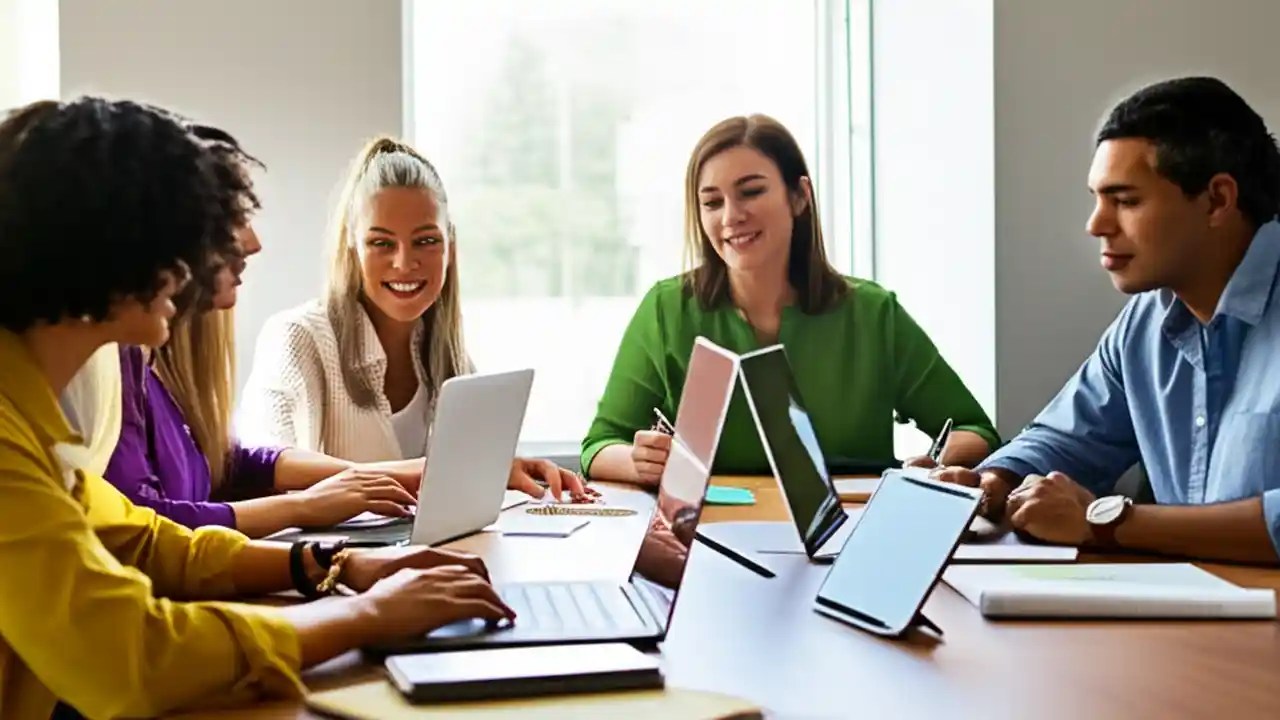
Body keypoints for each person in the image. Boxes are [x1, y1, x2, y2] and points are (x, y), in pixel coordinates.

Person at [0, 97, 513, 720]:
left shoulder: (32, 417)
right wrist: (364, 615)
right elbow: (127, 655)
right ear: (107, 248)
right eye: (182, 236)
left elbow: (151, 544)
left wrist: (340, 565)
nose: (198, 263)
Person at [936, 77, 1280, 564]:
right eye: (1098, 198)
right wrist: (991, 485)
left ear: (1217, 200)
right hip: (1195, 616)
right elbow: (1065, 439)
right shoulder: (1144, 322)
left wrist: (1108, 522)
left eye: (1126, 201)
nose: (1096, 224)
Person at [582, 114, 999, 485]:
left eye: (751, 192)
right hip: (712, 539)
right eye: (712, 202)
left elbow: (974, 429)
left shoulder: (873, 314)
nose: (730, 217)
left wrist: (937, 466)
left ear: (798, 197)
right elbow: (600, 445)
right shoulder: (667, 310)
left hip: (850, 537)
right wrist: (640, 462)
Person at [94, 125, 428, 538]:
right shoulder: (113, 364)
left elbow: (229, 462)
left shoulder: (158, 362)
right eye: (233, 219)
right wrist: (304, 510)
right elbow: (143, 527)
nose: (253, 242)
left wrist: (389, 477)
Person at [239, 137, 585, 500]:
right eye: (381, 243)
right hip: (331, 556)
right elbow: (264, 471)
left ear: (450, 246)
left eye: (425, 241)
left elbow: (463, 498)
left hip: (426, 556)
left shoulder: (453, 359)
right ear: (353, 246)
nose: (404, 263)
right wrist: (432, 473)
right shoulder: (297, 337)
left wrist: (505, 470)